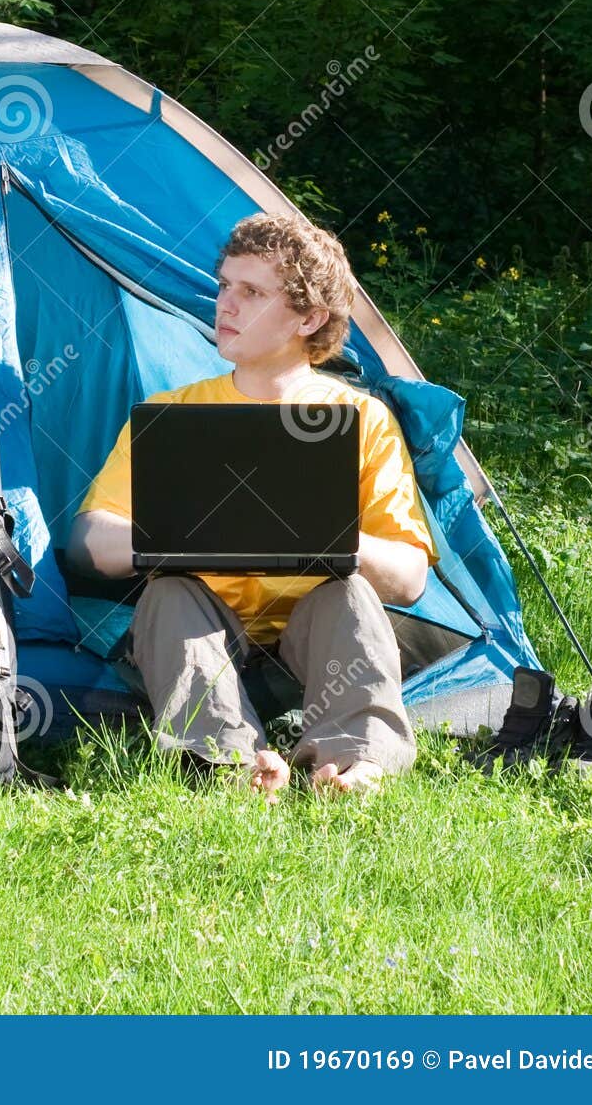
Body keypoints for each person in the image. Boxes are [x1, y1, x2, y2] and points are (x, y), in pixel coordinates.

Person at [66, 211, 437, 800]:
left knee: (348, 593)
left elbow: (410, 579)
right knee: (169, 591)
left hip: (316, 643)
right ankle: (227, 765)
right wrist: (180, 535)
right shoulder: (173, 416)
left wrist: (326, 539)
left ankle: (354, 766)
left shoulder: (362, 421)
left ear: (309, 317)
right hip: (205, 633)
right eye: (224, 287)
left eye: (252, 292)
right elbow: (87, 543)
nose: (225, 306)